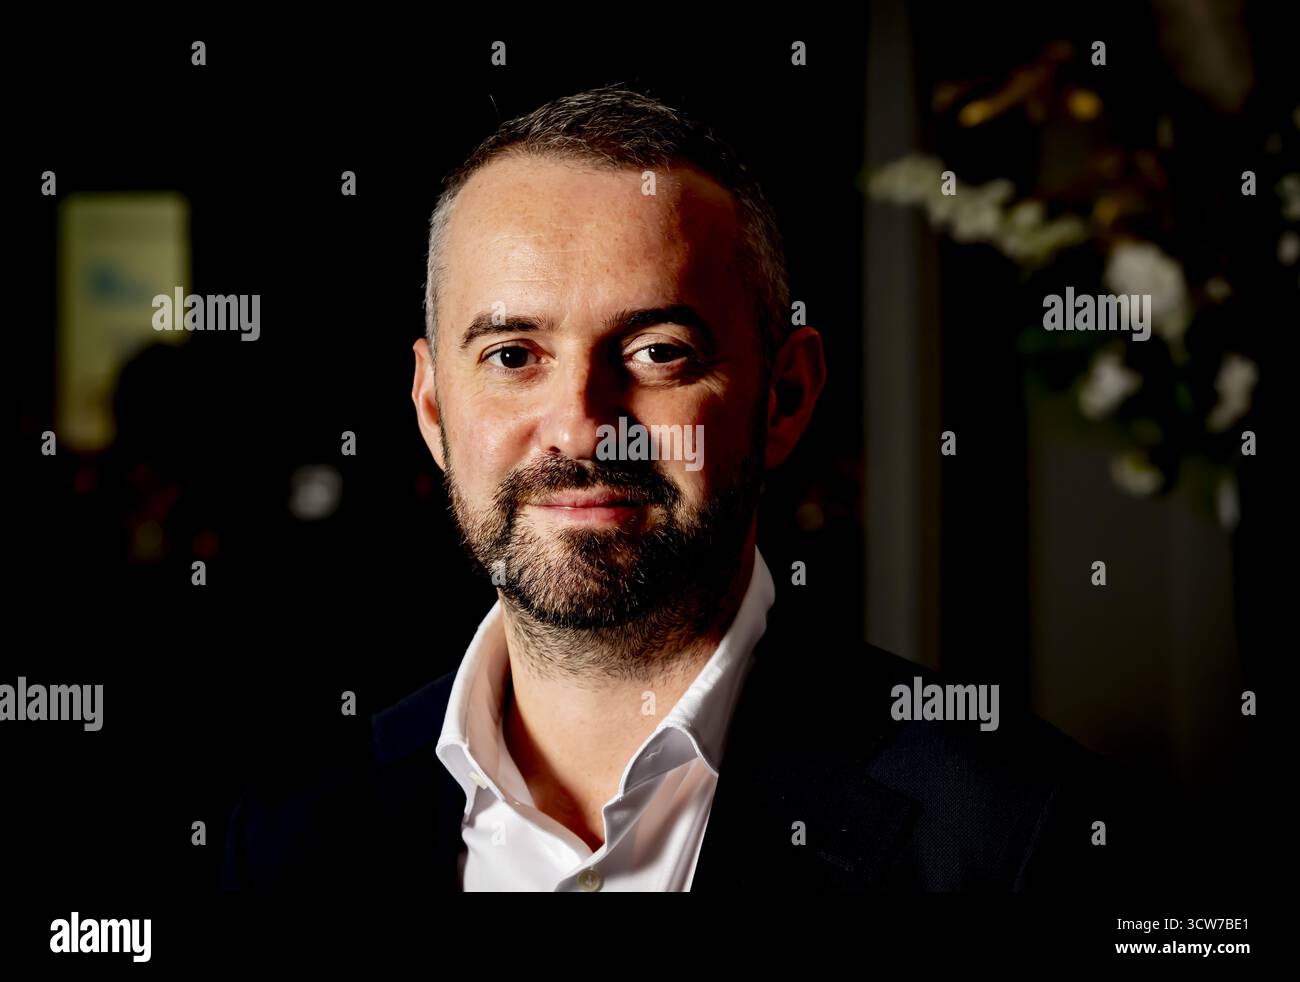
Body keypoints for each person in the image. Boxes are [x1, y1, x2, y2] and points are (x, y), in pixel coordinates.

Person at [222, 84, 1179, 894]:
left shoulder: (1025, 836)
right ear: (433, 409)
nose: (582, 424)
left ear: (786, 396)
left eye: (657, 353)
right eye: (514, 355)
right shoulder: (284, 831)